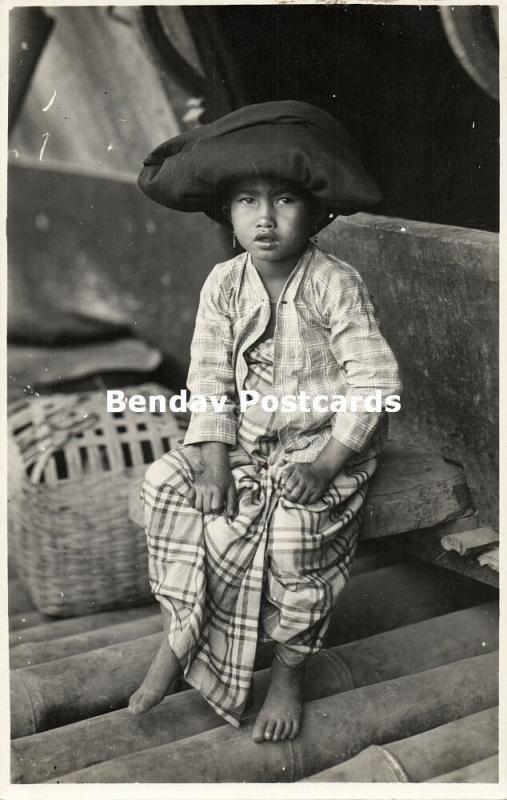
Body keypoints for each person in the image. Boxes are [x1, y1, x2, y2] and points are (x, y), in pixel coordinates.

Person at [128, 101, 401, 743]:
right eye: (247, 201)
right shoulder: (224, 284)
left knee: (291, 538)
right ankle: (180, 635)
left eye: (283, 200)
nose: (265, 219)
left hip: (326, 444)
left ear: (316, 210)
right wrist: (216, 460)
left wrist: (329, 461)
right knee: (169, 486)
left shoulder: (334, 283)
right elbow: (210, 377)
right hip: (248, 441)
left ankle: (287, 674)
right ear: (227, 212)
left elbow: (376, 384)